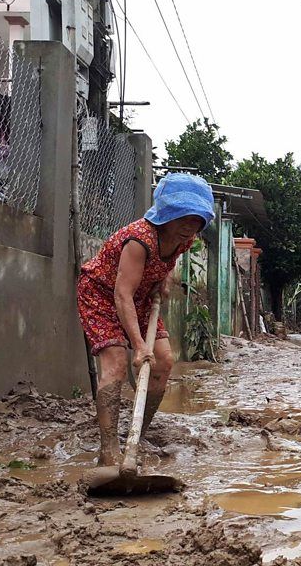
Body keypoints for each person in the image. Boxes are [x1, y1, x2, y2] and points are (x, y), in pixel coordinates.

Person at [77, 173, 215, 467]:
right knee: (115, 363)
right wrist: (138, 346)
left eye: (197, 218)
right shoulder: (139, 240)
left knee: (164, 362)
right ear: (167, 213)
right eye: (185, 216)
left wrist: (162, 279)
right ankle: (110, 448)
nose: (190, 225)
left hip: (139, 298)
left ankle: (139, 432)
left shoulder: (183, 240)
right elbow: (121, 295)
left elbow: (166, 263)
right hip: (103, 295)